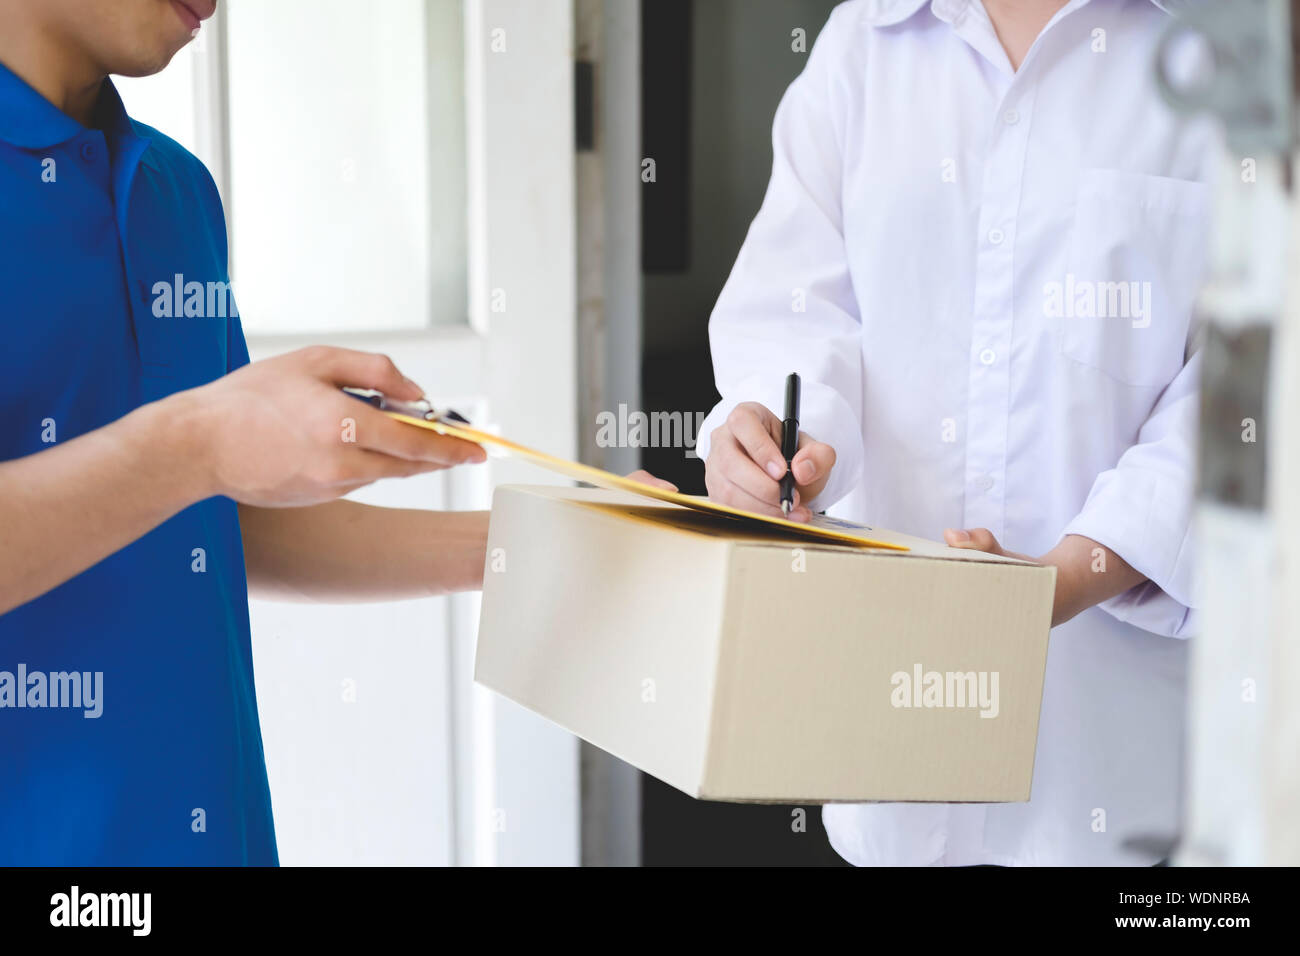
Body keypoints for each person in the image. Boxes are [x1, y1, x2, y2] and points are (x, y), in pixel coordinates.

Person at [0, 0, 670, 865]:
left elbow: (213, 519)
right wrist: (200, 438)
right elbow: (193, 459)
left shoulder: (177, 191)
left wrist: (539, 546)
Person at [699, 0, 1217, 866]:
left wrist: (1067, 577)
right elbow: (794, 306)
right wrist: (772, 439)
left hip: (1118, 780)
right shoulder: (860, 43)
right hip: (885, 766)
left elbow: (1256, 381)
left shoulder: (1225, 53)